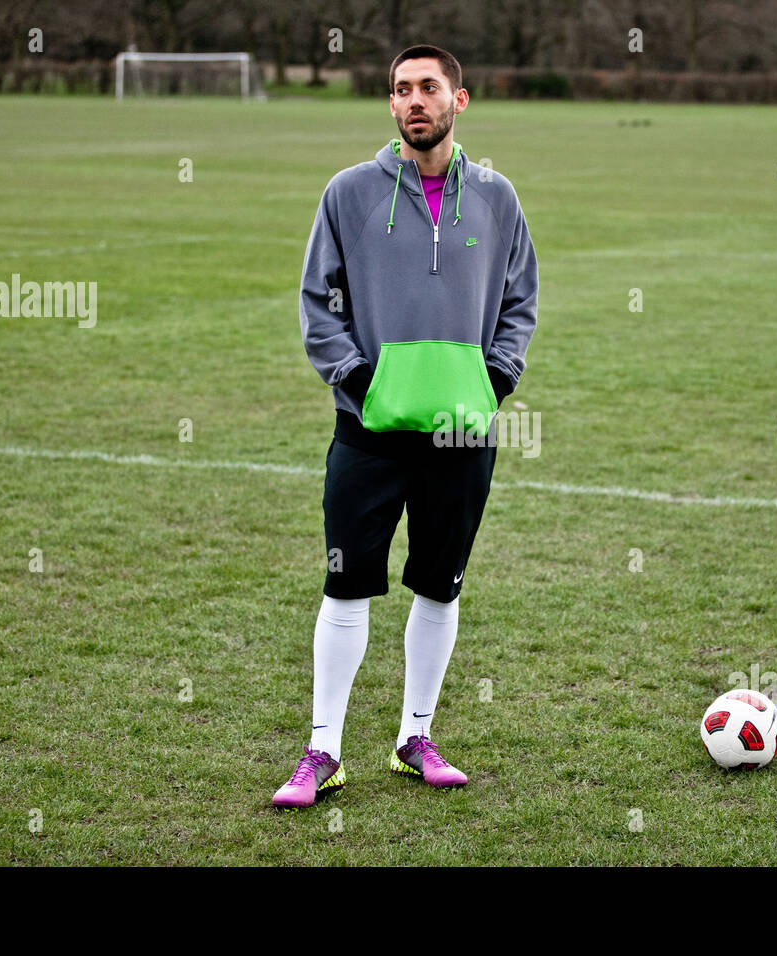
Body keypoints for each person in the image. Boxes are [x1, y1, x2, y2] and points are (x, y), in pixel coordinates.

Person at [274, 44, 539, 808]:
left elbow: (520, 301)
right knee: (346, 586)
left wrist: (493, 381)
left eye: (429, 87)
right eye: (401, 90)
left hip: (461, 434)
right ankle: (322, 753)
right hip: (368, 431)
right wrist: (359, 381)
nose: (414, 99)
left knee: (439, 587)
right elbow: (316, 300)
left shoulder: (496, 196)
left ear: (461, 100)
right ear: (390, 106)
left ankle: (413, 737)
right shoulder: (349, 193)